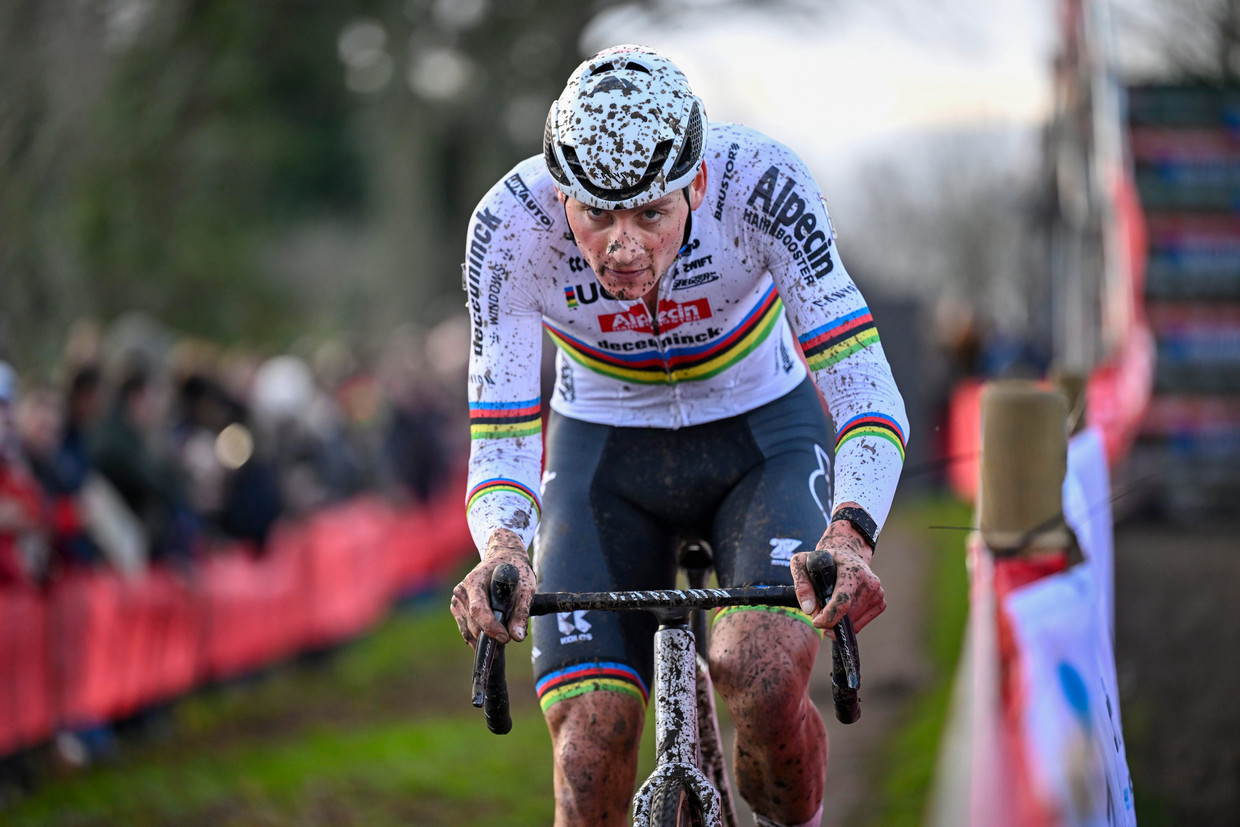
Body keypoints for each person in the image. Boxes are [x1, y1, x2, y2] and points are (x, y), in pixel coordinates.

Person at [449, 45, 908, 827]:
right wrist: (502, 547)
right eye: (596, 215)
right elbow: (501, 431)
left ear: (697, 184)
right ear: (561, 196)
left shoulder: (759, 184)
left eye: (651, 214)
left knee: (760, 676)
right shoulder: (508, 229)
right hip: (605, 453)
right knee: (588, 746)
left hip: (760, 435)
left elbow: (866, 386)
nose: (623, 248)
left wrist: (852, 530)